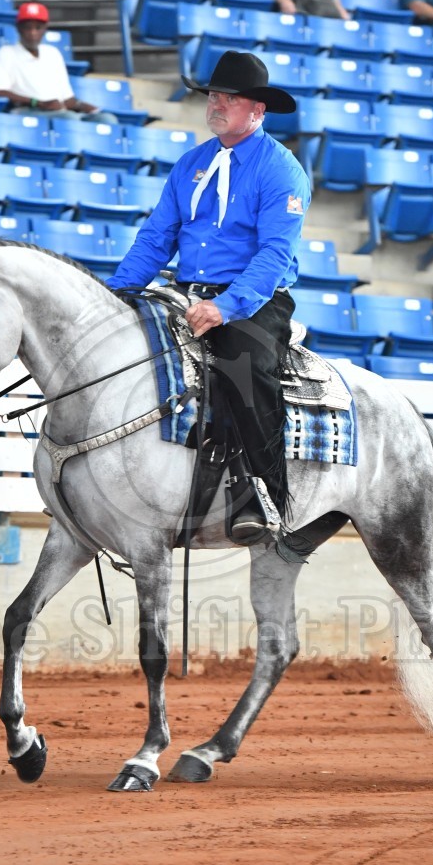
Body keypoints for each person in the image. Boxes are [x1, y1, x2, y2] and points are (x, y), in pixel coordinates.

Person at [107, 50, 310, 545]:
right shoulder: (192, 164)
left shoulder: (281, 170)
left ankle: (260, 494)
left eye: (229, 97)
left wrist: (226, 307)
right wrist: (116, 295)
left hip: (253, 299)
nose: (216, 104)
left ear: (257, 110)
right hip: (185, 292)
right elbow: (158, 237)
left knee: (245, 367)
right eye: (214, 95)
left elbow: (274, 255)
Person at [0, 1, 116, 122]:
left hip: (60, 112)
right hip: (26, 112)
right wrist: (37, 103)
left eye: (38, 28)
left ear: (45, 29)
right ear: (18, 28)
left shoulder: (53, 53)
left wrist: (83, 106)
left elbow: (67, 98)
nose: (33, 33)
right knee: (69, 119)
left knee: (107, 119)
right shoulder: (6, 53)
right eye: (28, 28)